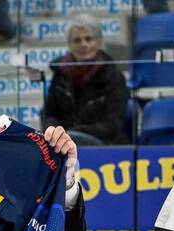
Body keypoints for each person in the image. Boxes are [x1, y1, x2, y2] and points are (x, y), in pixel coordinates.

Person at [41, 16, 129, 147]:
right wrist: (55, 133)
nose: (83, 44)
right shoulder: (60, 75)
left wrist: (74, 133)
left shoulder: (114, 76)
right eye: (77, 40)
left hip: (104, 145)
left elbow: (113, 124)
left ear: (98, 43)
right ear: (70, 46)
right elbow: (50, 114)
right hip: (63, 145)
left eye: (88, 39)